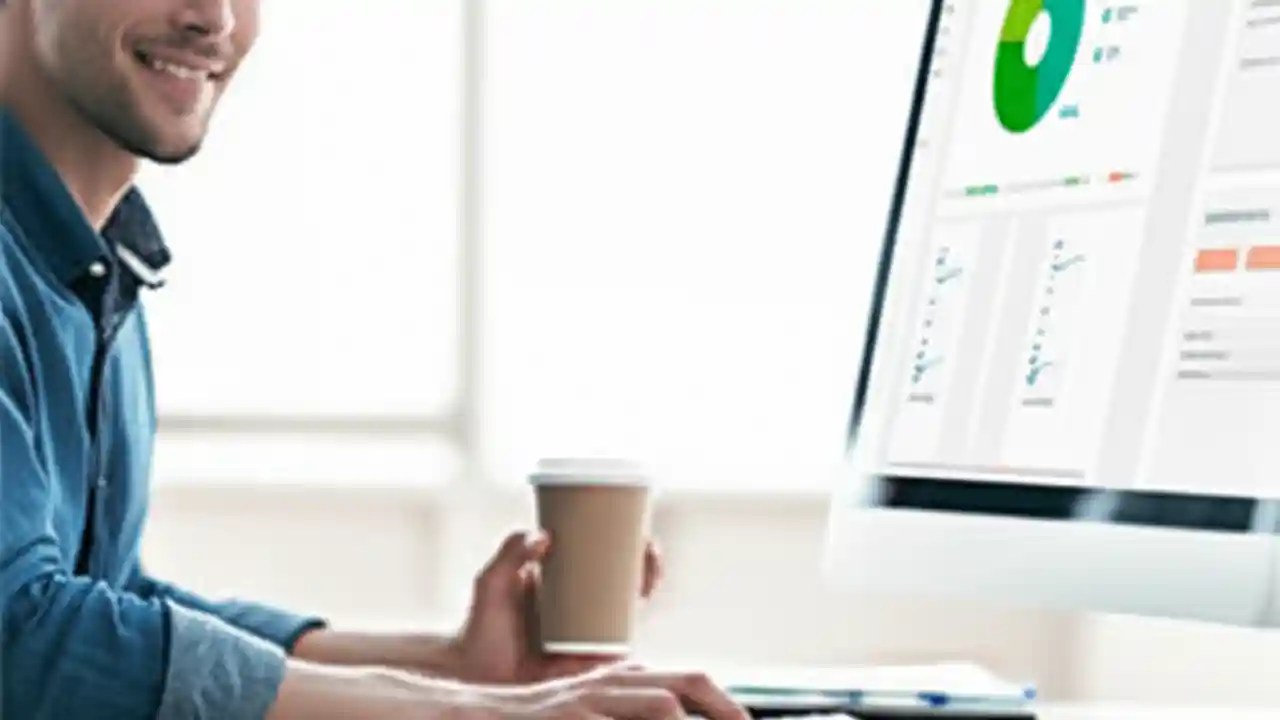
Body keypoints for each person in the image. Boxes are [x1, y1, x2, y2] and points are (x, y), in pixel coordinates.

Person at [0, 1, 751, 719]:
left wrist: (456, 668)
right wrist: (470, 713)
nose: (216, 18)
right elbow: (24, 640)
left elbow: (108, 607)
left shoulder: (95, 270)